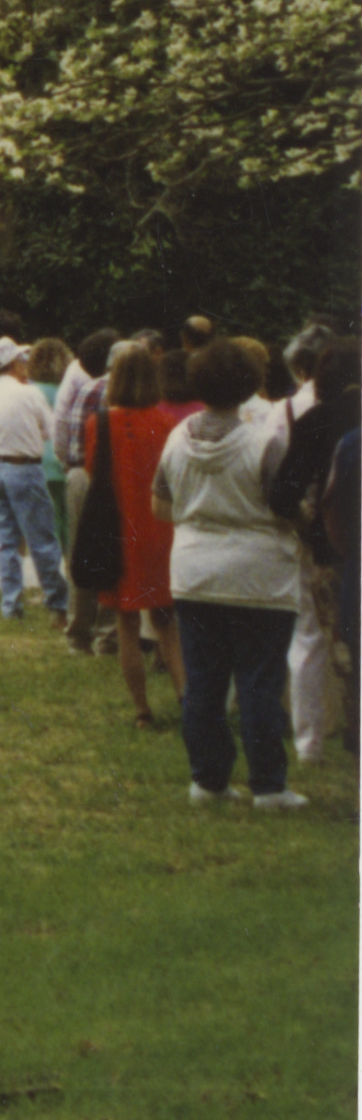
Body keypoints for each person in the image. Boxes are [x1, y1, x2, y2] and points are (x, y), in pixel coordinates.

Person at [153, 337, 304, 806]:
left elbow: (160, 507)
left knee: (203, 682)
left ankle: (208, 780)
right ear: (251, 384)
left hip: (195, 572)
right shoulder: (265, 444)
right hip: (259, 578)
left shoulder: (178, 439)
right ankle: (269, 786)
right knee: (259, 681)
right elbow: (286, 511)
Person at [264, 331, 357, 766]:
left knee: (310, 643)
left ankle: (309, 744)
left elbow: (282, 494)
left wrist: (309, 518)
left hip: (326, 551)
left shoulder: (315, 420)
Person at [99, 335, 194, 730]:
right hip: (161, 530)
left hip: (119, 531)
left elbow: (95, 477)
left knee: (126, 625)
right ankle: (187, 701)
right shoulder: (167, 423)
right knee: (169, 626)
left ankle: (141, 711)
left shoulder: (99, 424)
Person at [0, 339, 70, 623]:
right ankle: (57, 604)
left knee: (5, 541)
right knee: (42, 539)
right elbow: (50, 430)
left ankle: (11, 605)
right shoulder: (29, 394)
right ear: (15, 364)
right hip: (24, 468)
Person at [56, 329, 118, 654]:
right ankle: (108, 634)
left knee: (79, 555)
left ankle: (77, 633)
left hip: (80, 473)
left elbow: (61, 435)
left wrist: (71, 468)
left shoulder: (86, 388)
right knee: (111, 553)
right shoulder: (123, 390)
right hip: (112, 477)